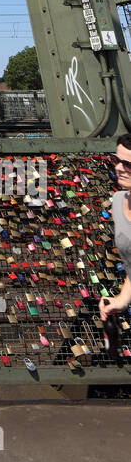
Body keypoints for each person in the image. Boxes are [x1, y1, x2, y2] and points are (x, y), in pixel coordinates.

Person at [99, 133, 131, 322]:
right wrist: (121, 300)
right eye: (116, 160)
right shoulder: (118, 203)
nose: (119, 168)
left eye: (128, 164)